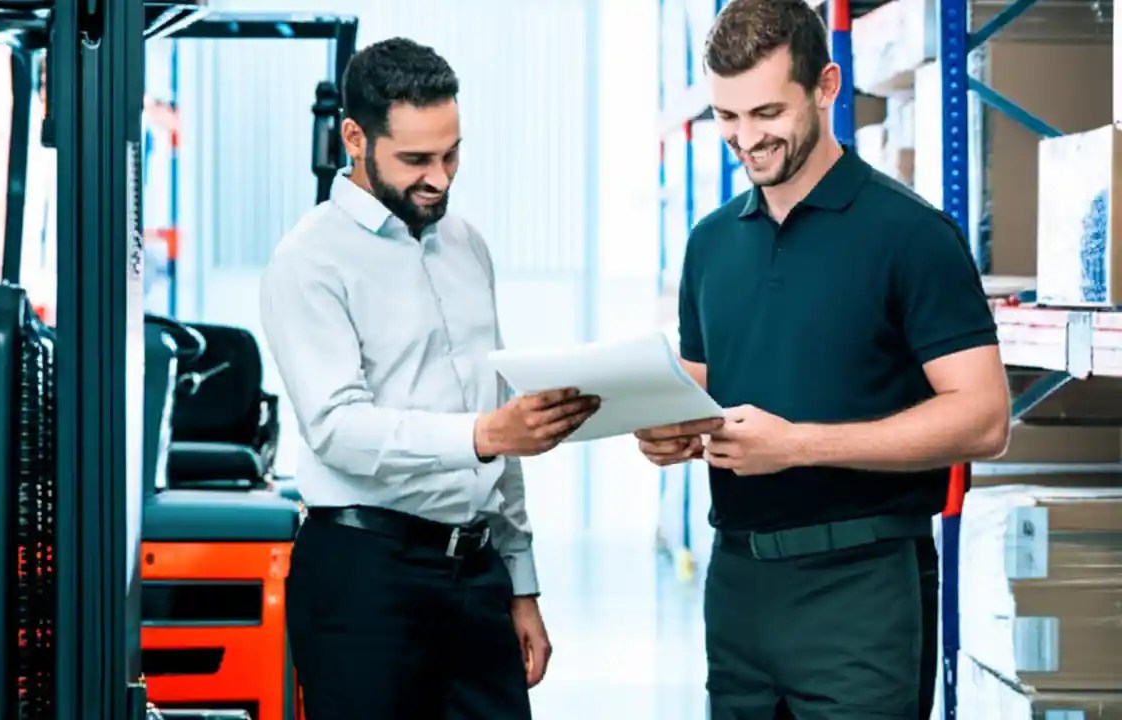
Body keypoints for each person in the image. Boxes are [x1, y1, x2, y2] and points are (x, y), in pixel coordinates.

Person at [634, 0, 1012, 718]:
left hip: (861, 587)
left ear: (826, 87)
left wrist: (798, 446)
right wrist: (666, 432)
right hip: (737, 585)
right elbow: (701, 391)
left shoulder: (911, 235)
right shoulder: (710, 244)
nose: (746, 139)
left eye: (767, 112)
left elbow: (985, 419)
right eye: (727, 116)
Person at [259, 37, 599, 720]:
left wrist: (521, 582)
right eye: (416, 160)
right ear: (355, 139)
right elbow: (336, 429)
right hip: (365, 578)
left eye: (451, 154)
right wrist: (483, 435)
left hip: (476, 574)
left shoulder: (466, 245)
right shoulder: (310, 260)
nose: (440, 178)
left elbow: (495, 416)